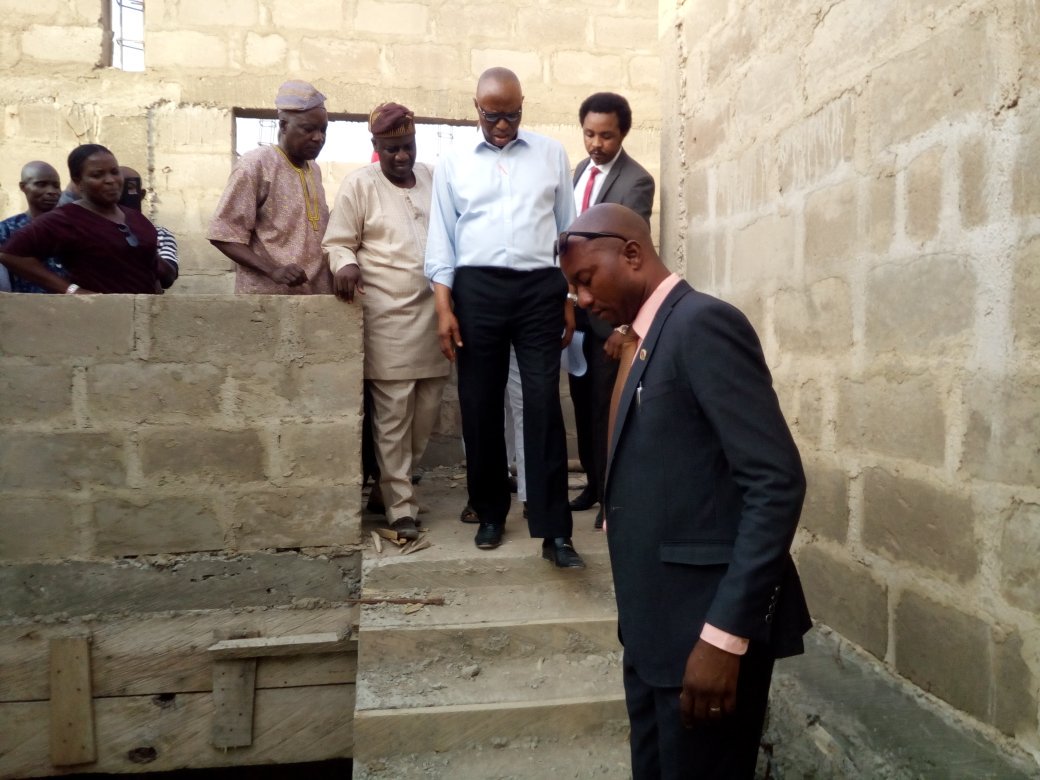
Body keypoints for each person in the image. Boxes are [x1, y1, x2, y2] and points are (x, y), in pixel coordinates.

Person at [557, 203, 811, 779]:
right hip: (653, 633)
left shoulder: (702, 324)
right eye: (572, 288)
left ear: (631, 253)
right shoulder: (642, 338)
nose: (581, 300)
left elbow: (776, 483)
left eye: (585, 280)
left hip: (704, 638)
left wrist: (724, 639)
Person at [425, 67, 583, 567]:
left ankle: (555, 531)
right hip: (478, 290)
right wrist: (444, 307)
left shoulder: (551, 154)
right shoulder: (451, 163)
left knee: (542, 403)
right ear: (476, 108)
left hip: (540, 289)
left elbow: (568, 233)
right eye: (493, 115)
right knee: (479, 403)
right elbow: (441, 240)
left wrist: (569, 298)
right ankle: (491, 511)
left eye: (512, 114)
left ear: (522, 106)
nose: (502, 125)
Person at [324, 103, 449, 541]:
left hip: (435, 313)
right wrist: (344, 264)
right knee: (394, 414)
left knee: (428, 411)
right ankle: (400, 505)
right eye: (392, 149)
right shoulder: (360, 184)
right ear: (376, 147)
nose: (402, 157)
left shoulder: (435, 179)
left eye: (408, 147)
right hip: (388, 315)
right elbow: (338, 241)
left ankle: (388, 486)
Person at [568, 93, 656, 529]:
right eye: (589, 133)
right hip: (575, 306)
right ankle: (592, 483)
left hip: (609, 311)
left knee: (608, 406)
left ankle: (613, 498)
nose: (596, 144)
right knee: (582, 400)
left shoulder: (636, 181)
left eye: (606, 135)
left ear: (623, 134)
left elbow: (626, 257)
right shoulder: (576, 173)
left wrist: (624, 325)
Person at [208, 80, 332, 294]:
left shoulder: (314, 169)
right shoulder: (255, 164)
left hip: (313, 299)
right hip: (268, 301)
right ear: (283, 126)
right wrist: (273, 270)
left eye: (323, 130)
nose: (318, 137)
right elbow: (223, 233)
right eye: (308, 129)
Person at [0, 145, 159, 294]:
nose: (110, 180)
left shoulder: (135, 218)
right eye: (97, 175)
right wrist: (72, 291)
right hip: (97, 315)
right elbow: (10, 255)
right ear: (78, 181)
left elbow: (153, 271)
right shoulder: (65, 218)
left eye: (114, 172)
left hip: (144, 315)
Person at [0, 161, 66, 293]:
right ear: (23, 187)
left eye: (56, 186)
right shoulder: (7, 230)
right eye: (41, 184)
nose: (51, 191)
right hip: (26, 309)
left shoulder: (71, 226)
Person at [119, 166, 179, 290]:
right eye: (117, 189)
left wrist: (143, 243)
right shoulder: (90, 228)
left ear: (141, 194)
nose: (121, 195)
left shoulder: (160, 234)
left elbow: (168, 278)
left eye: (129, 188)